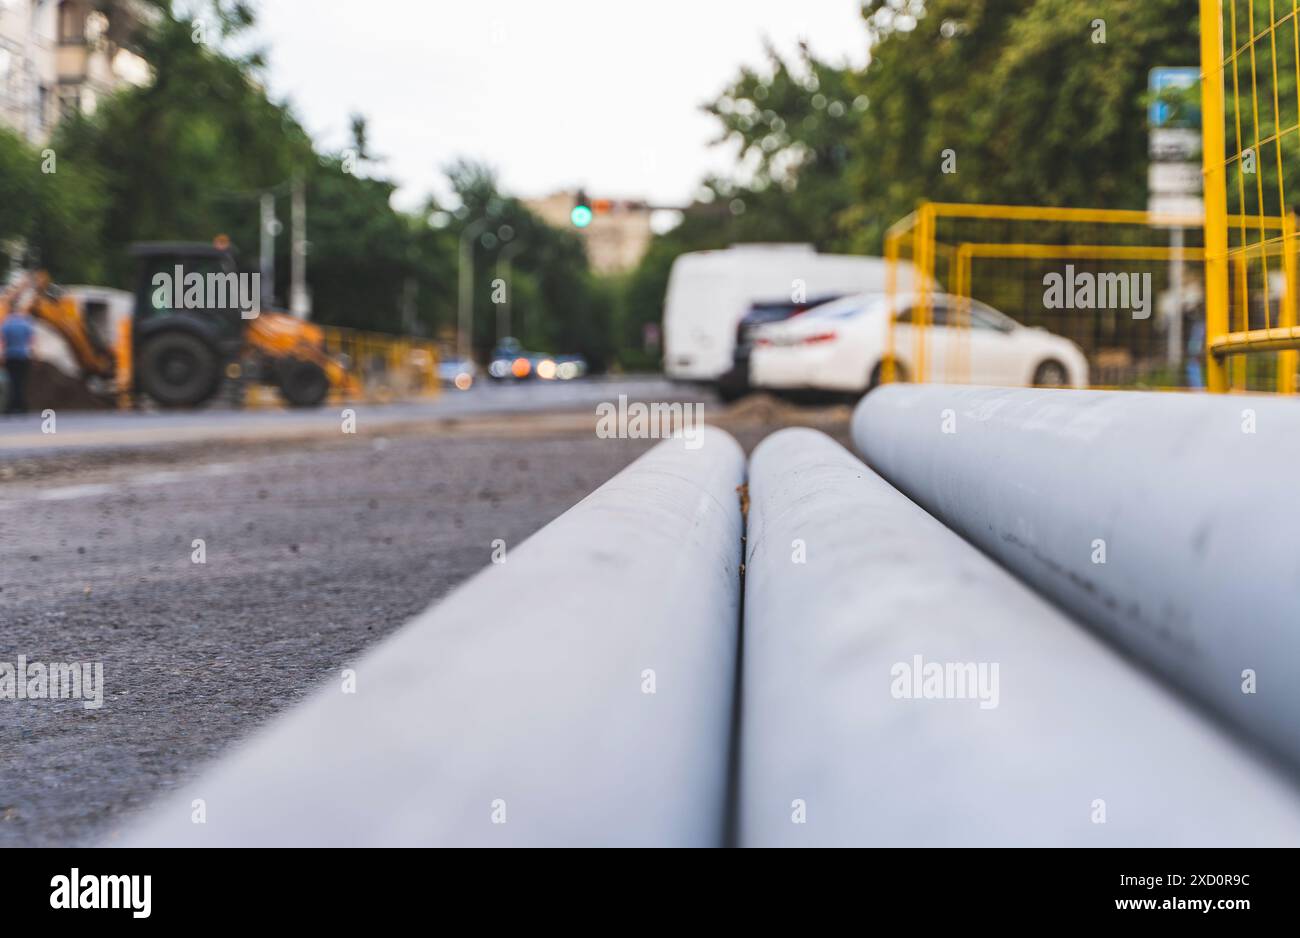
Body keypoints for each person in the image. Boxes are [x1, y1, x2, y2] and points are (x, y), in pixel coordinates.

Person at [2, 300, 36, 415]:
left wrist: (2, 355)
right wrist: (33, 352)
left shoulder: (7, 323)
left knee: (12, 382)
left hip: (10, 356)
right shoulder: (26, 323)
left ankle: (11, 407)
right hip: (23, 356)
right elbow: (31, 340)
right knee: (21, 382)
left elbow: (3, 341)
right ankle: (22, 406)